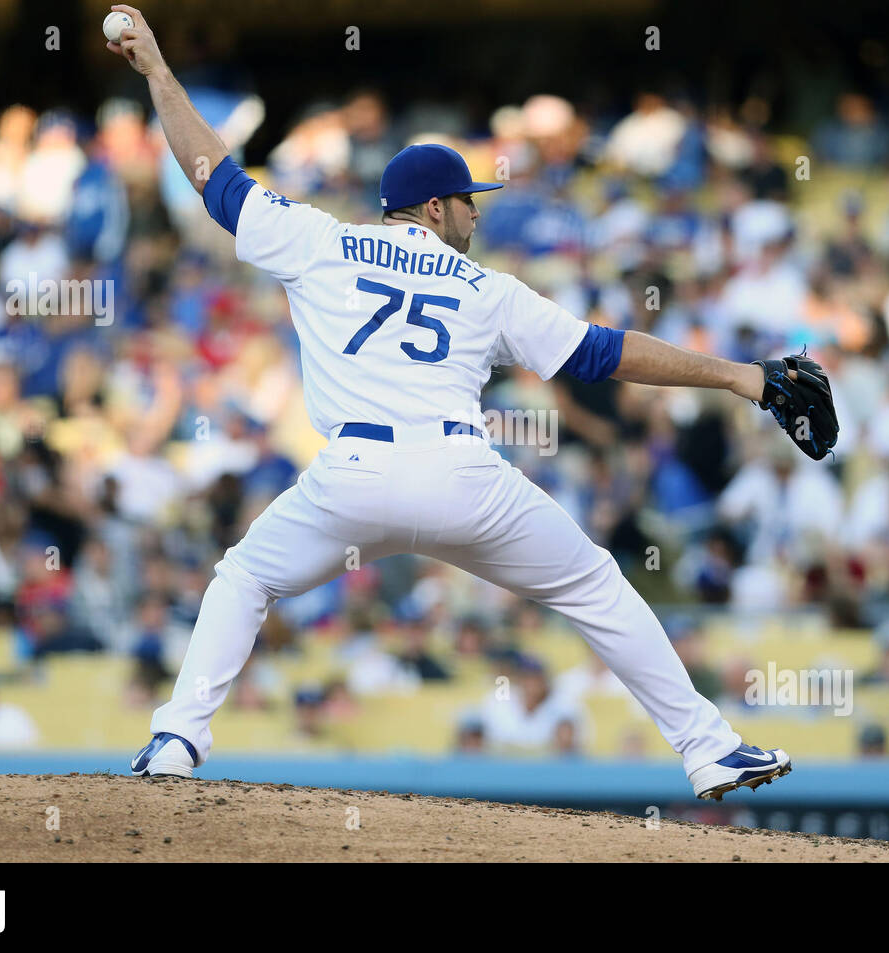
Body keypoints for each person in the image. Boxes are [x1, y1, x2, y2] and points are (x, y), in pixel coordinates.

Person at [110, 5, 801, 800]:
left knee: (241, 578)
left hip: (354, 473)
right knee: (595, 584)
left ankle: (176, 740)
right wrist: (744, 377)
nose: (477, 209)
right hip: (463, 475)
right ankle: (708, 747)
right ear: (435, 208)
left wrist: (159, 73)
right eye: (468, 199)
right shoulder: (486, 288)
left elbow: (214, 179)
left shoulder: (320, 240)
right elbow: (605, 355)